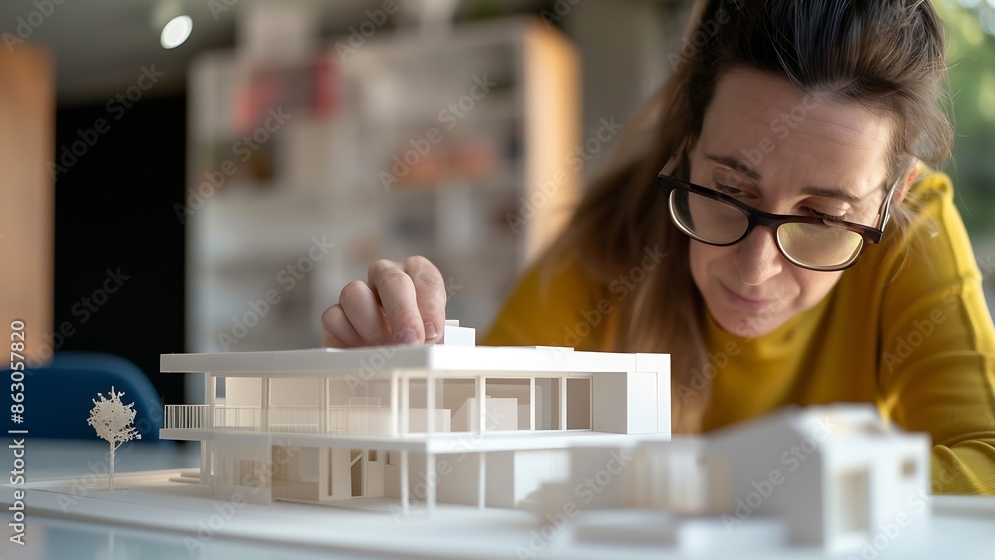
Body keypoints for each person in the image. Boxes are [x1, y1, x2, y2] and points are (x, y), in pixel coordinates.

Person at [321, 0, 995, 494]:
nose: (755, 269)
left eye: (823, 217)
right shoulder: (610, 240)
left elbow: (987, 463)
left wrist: (725, 486)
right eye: (728, 189)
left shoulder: (912, 233)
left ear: (893, 194)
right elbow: (472, 436)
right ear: (688, 145)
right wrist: (398, 392)